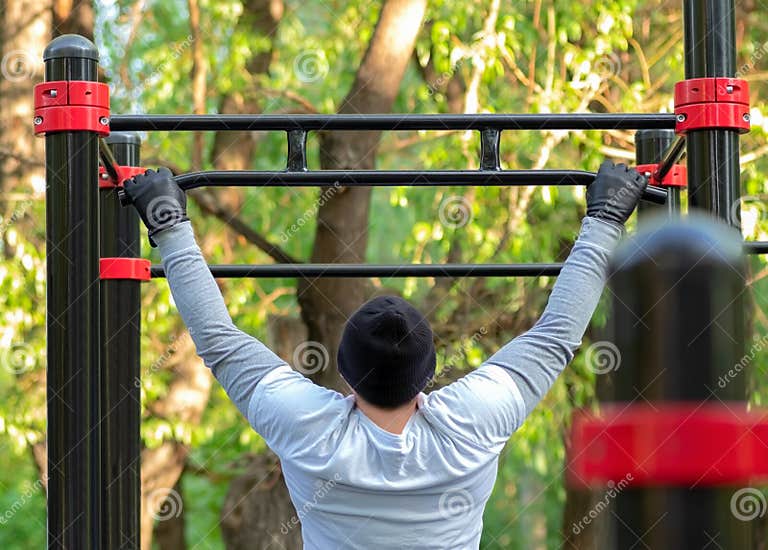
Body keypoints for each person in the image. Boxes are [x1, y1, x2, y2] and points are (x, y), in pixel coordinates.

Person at [122, 161, 647, 549]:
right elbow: (557, 337)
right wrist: (605, 219)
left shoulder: (308, 426)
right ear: (429, 373)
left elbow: (217, 339)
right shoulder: (472, 421)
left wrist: (169, 223)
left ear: (345, 374)